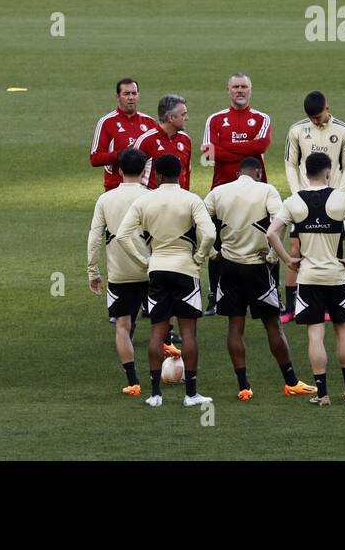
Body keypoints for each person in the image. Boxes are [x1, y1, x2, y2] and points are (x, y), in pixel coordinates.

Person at [266, 152, 345, 406]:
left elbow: (272, 233)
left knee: (315, 335)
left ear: (305, 173)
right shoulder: (342, 199)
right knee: (343, 331)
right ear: (329, 173)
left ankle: (322, 393)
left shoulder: (294, 202)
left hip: (308, 278)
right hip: (336, 277)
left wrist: (288, 260)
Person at [204, 157, 315, 399]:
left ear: (237, 172)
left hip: (229, 266)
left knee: (235, 325)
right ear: (258, 171)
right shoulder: (267, 190)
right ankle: (291, 381)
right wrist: (275, 254)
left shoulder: (218, 192)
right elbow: (280, 222)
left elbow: (201, 221)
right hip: (257, 266)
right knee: (272, 324)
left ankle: (243, 386)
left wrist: (211, 253)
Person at [119, 154, 216, 407]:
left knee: (157, 332)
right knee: (189, 332)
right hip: (185, 269)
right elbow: (210, 233)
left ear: (157, 176)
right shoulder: (191, 199)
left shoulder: (144, 200)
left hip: (157, 268)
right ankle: (191, 394)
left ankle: (155, 394)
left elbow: (121, 236)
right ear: (181, 173)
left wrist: (143, 261)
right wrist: (200, 256)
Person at [200, 73, 272, 314]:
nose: (239, 91)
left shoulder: (262, 118)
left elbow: (260, 147)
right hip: (221, 193)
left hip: (256, 195)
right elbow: (209, 154)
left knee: (265, 243)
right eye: (235, 87)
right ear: (228, 90)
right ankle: (214, 296)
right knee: (216, 243)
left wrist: (225, 149)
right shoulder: (216, 119)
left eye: (243, 87)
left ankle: (271, 292)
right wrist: (245, 153)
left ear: (251, 90)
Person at [281, 91, 345, 322]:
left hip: (333, 201)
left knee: (334, 251)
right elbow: (291, 164)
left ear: (327, 108)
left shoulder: (343, 131)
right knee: (295, 250)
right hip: (305, 200)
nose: (315, 120)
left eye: (318, 115)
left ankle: (329, 305)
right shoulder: (297, 130)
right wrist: (298, 194)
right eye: (311, 117)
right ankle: (291, 305)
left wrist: (338, 196)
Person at [86, 149, 154, 396]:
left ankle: (133, 381)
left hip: (119, 274)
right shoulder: (151, 197)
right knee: (160, 324)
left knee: (123, 326)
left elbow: (94, 237)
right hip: (150, 270)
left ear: (120, 170)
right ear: (145, 170)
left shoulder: (105, 199)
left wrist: (93, 271)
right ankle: (157, 380)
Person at [90, 78, 157, 191]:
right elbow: (95, 158)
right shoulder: (107, 122)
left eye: (134, 93)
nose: (131, 97)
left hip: (144, 191)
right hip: (116, 190)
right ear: (118, 97)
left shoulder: (150, 122)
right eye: (126, 94)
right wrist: (120, 155)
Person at [135, 94, 194, 190]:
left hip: (178, 201)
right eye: (183, 114)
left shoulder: (186, 140)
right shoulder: (146, 140)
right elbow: (133, 177)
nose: (187, 118)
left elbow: (186, 175)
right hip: (152, 201)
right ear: (171, 118)